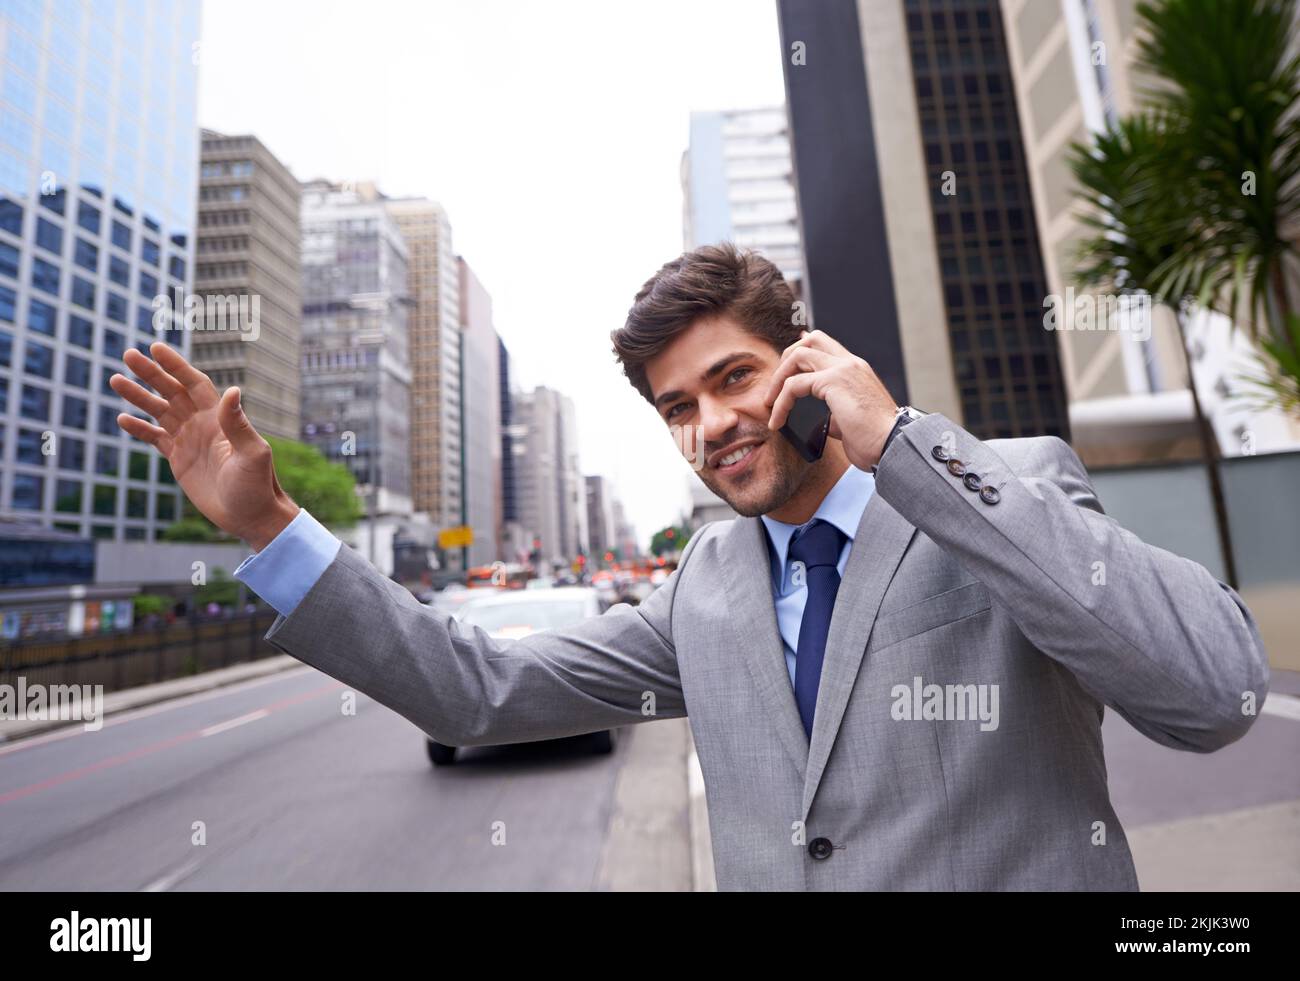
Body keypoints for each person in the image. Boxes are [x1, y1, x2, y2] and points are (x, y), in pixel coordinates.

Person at [111, 243, 1269, 891]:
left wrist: (909, 449)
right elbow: (474, 688)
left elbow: (1211, 695)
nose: (709, 425)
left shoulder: (997, 485)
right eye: (677, 407)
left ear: (806, 364)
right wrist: (271, 529)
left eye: (731, 379)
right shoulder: (702, 592)